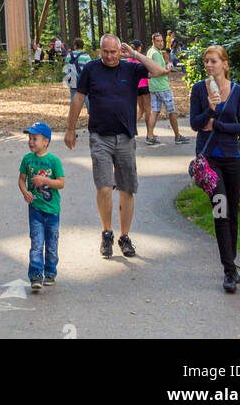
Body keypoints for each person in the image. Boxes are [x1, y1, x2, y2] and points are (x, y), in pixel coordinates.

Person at [65, 33, 165, 259]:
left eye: (113, 52)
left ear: (120, 50)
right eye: (105, 52)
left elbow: (158, 71)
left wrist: (136, 55)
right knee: (103, 186)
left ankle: (124, 236)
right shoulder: (91, 69)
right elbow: (79, 99)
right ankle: (107, 232)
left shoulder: (131, 69)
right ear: (99, 51)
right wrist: (70, 129)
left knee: (127, 188)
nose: (109, 57)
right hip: (100, 136)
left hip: (126, 137)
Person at [190, 44, 240, 294]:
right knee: (220, 210)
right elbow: (195, 124)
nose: (209, 65)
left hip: (233, 159)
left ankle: (232, 264)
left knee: (232, 212)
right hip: (210, 161)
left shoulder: (236, 91)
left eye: (214, 61)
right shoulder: (198, 89)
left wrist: (217, 125)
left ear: (225, 64)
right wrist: (210, 111)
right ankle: (228, 270)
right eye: (206, 61)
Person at [18, 122, 65, 292]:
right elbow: (21, 179)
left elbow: (61, 183)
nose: (31, 142)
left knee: (51, 243)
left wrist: (45, 181)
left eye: (35, 139)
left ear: (46, 141)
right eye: (29, 138)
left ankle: (50, 271)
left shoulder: (53, 161)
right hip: (35, 208)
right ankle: (36, 274)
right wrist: (25, 192)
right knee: (36, 242)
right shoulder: (27, 159)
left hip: (52, 210)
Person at [145, 31, 188, 145]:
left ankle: (149, 136)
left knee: (155, 111)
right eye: (158, 41)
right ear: (153, 41)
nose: (160, 43)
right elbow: (159, 71)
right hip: (162, 87)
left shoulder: (150, 52)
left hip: (153, 86)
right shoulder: (156, 53)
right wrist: (168, 70)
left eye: (161, 41)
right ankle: (178, 137)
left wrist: (165, 65)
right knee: (172, 112)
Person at [127, 38, 152, 138]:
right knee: (147, 110)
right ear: (139, 48)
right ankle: (149, 133)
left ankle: (130, 128)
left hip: (136, 87)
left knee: (140, 110)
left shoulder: (129, 59)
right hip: (144, 86)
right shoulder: (140, 58)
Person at [63, 36, 92, 116]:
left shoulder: (69, 56)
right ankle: (92, 114)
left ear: (75, 46)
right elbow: (90, 70)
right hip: (83, 82)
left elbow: (67, 68)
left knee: (73, 98)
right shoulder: (86, 56)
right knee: (87, 98)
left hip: (72, 81)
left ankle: (72, 116)